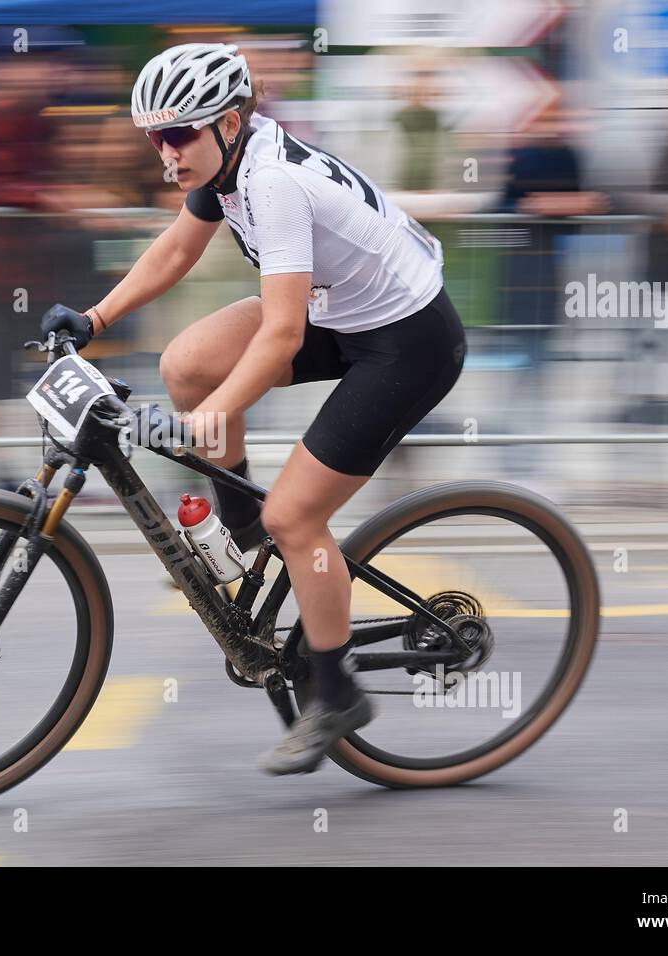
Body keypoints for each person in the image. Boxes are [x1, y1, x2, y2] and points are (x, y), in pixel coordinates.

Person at [40, 42, 467, 775]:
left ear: (229, 123)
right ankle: (242, 539)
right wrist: (96, 319)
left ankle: (336, 693)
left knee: (297, 516)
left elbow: (281, 335)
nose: (165, 153)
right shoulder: (228, 159)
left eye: (178, 136)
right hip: (345, 314)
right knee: (187, 364)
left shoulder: (270, 184)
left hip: (407, 342)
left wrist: (219, 412)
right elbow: (176, 251)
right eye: (155, 138)